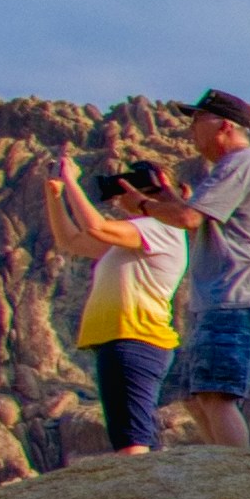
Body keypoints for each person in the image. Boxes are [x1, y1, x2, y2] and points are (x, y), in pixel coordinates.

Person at [32, 148, 196, 454]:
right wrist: (55, 196)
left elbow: (96, 227)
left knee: (131, 438)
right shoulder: (136, 239)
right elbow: (73, 241)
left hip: (134, 337)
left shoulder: (160, 228)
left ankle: (139, 495)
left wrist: (71, 182)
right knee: (130, 430)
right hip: (125, 339)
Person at [169, 89, 250, 432]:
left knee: (216, 396)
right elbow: (197, 218)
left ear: (223, 126)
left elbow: (190, 219)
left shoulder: (240, 164)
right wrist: (163, 199)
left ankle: (240, 477)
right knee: (197, 397)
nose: (191, 129)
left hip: (237, 299)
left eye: (197, 121)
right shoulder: (235, 167)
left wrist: (145, 207)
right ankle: (223, 470)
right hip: (223, 300)